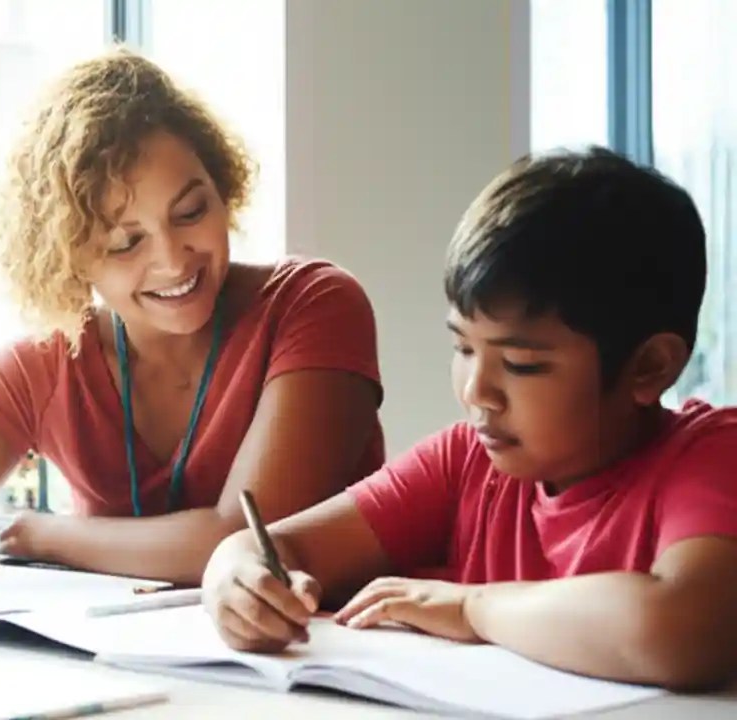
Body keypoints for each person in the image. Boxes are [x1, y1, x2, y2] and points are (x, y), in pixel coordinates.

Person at [0, 48, 386, 628]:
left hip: (327, 663)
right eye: (126, 243)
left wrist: (53, 536)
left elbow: (247, 542)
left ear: (223, 188)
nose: (173, 260)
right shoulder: (49, 363)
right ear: (71, 258)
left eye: (191, 211)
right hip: (138, 672)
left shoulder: (313, 304)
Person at [202, 147, 737, 691]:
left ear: (648, 367)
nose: (476, 391)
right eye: (462, 348)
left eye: (521, 364)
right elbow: (265, 546)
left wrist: (473, 609)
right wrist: (236, 580)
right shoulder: (465, 462)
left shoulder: (712, 457)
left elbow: (679, 630)